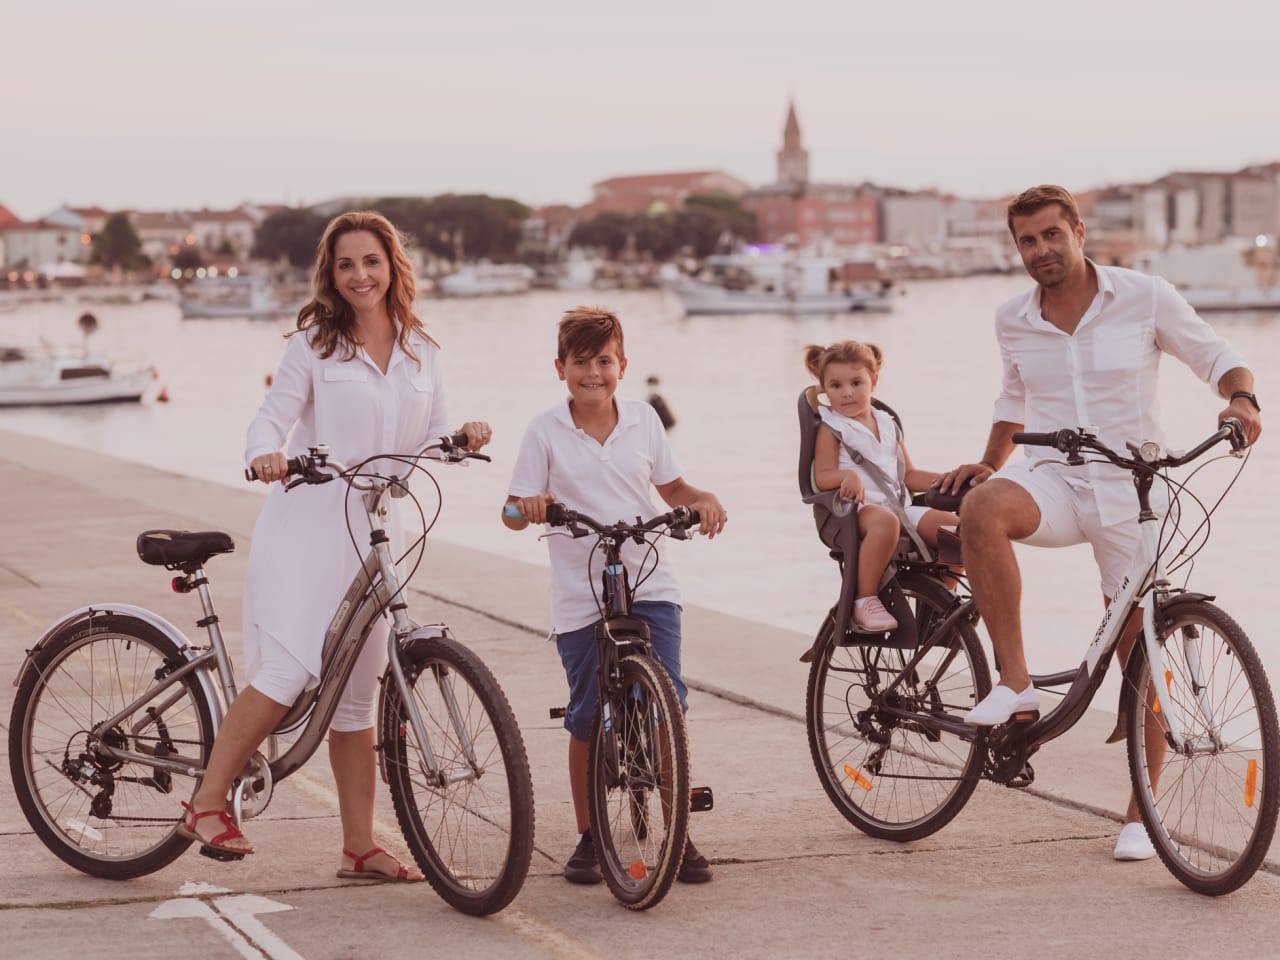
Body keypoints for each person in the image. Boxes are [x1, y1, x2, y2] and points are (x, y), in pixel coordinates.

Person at [937, 184, 1262, 861]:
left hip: (1132, 485)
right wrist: (989, 463)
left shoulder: (1145, 295)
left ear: (1079, 231)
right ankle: (1015, 685)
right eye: (1027, 241)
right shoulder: (1013, 316)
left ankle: (1143, 813)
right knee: (982, 508)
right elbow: (1011, 397)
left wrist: (1242, 399)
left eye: (1051, 235)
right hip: (1052, 477)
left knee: (1137, 645)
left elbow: (1216, 354)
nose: (1040, 251)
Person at [177, 211, 491, 881]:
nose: (359, 276)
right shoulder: (313, 346)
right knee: (289, 671)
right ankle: (205, 800)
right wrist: (267, 454)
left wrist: (461, 440)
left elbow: (432, 436)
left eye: (371, 262)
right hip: (310, 525)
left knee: (356, 694)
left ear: (392, 266)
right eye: (346, 264)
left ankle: (360, 846)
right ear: (331, 272)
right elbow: (271, 420)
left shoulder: (421, 350)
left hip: (380, 532)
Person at [501, 306, 727, 886]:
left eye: (604, 361)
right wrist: (527, 507)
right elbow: (510, 511)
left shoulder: (644, 421)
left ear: (622, 366)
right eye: (581, 362)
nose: (593, 373)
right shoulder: (543, 430)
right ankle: (588, 834)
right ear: (561, 368)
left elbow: (673, 486)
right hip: (580, 592)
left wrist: (702, 499)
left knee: (667, 701)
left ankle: (679, 833)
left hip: (648, 577)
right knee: (585, 711)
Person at [803, 340, 960, 633]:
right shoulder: (832, 428)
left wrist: (951, 480)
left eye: (856, 382)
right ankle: (865, 600)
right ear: (825, 389)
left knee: (959, 531)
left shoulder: (886, 422)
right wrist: (846, 477)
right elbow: (822, 476)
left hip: (899, 506)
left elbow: (909, 475)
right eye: (836, 386)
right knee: (886, 524)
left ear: (873, 381)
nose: (847, 392)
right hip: (854, 509)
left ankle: (941, 603)